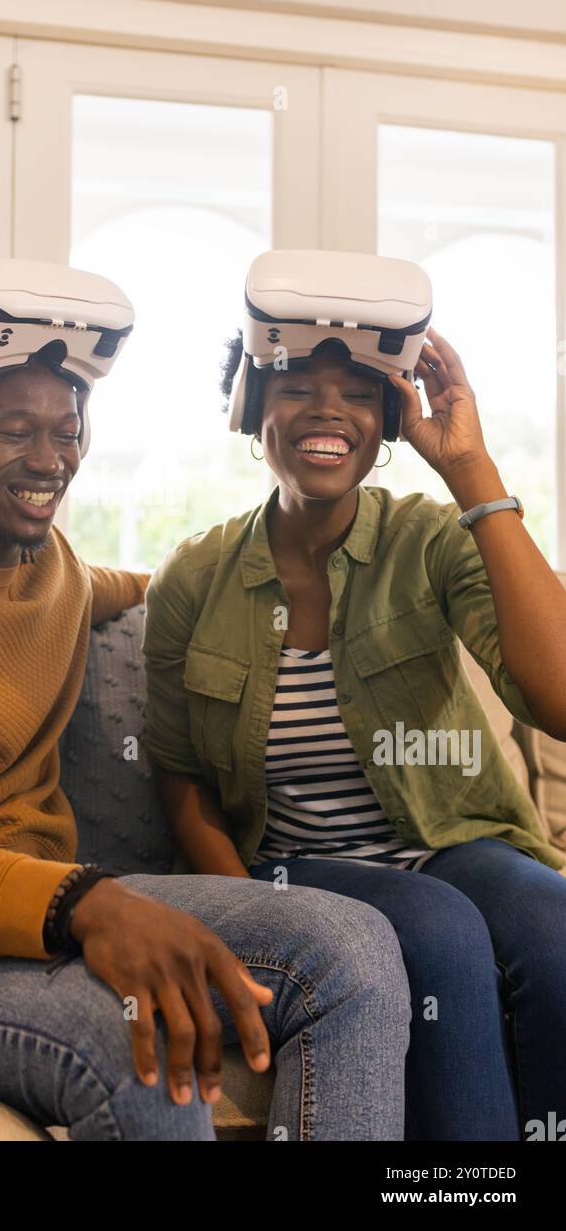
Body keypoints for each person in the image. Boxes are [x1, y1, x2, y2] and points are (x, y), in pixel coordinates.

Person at [0, 263, 412, 1142]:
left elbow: (144, 587)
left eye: (67, 428)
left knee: (352, 952)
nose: (51, 459)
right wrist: (89, 906)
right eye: (17, 431)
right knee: (139, 1049)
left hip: (46, 902)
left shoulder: (50, 568)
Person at [143, 319, 566, 1142]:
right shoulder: (193, 578)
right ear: (248, 409)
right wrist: (236, 914)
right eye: (296, 388)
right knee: (437, 930)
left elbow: (557, 701)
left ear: (389, 421)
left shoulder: (428, 540)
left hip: (449, 840)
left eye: (358, 395)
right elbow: (178, 776)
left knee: (554, 924)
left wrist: (469, 471)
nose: (325, 413)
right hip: (291, 866)